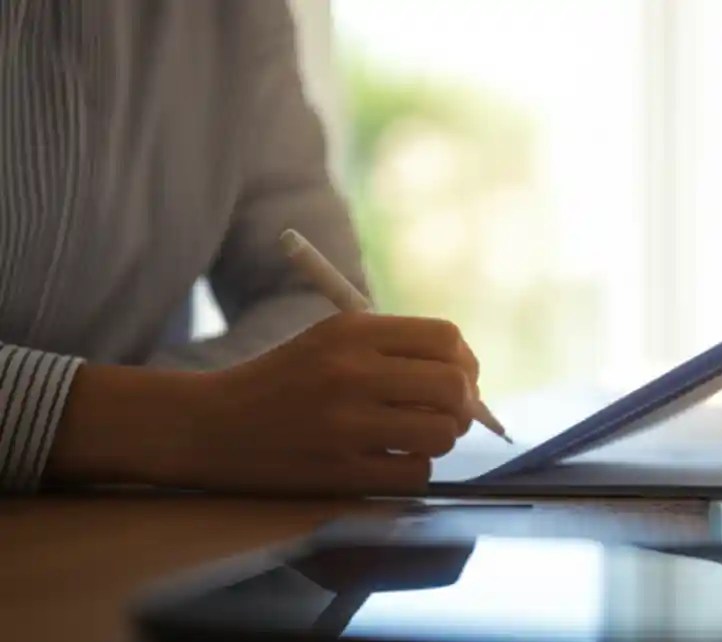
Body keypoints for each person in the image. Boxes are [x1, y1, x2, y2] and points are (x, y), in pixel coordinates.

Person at [0, 1, 481, 495]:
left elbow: (308, 301)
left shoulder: (236, 13)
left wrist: (207, 415)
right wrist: (184, 422)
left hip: (119, 536)